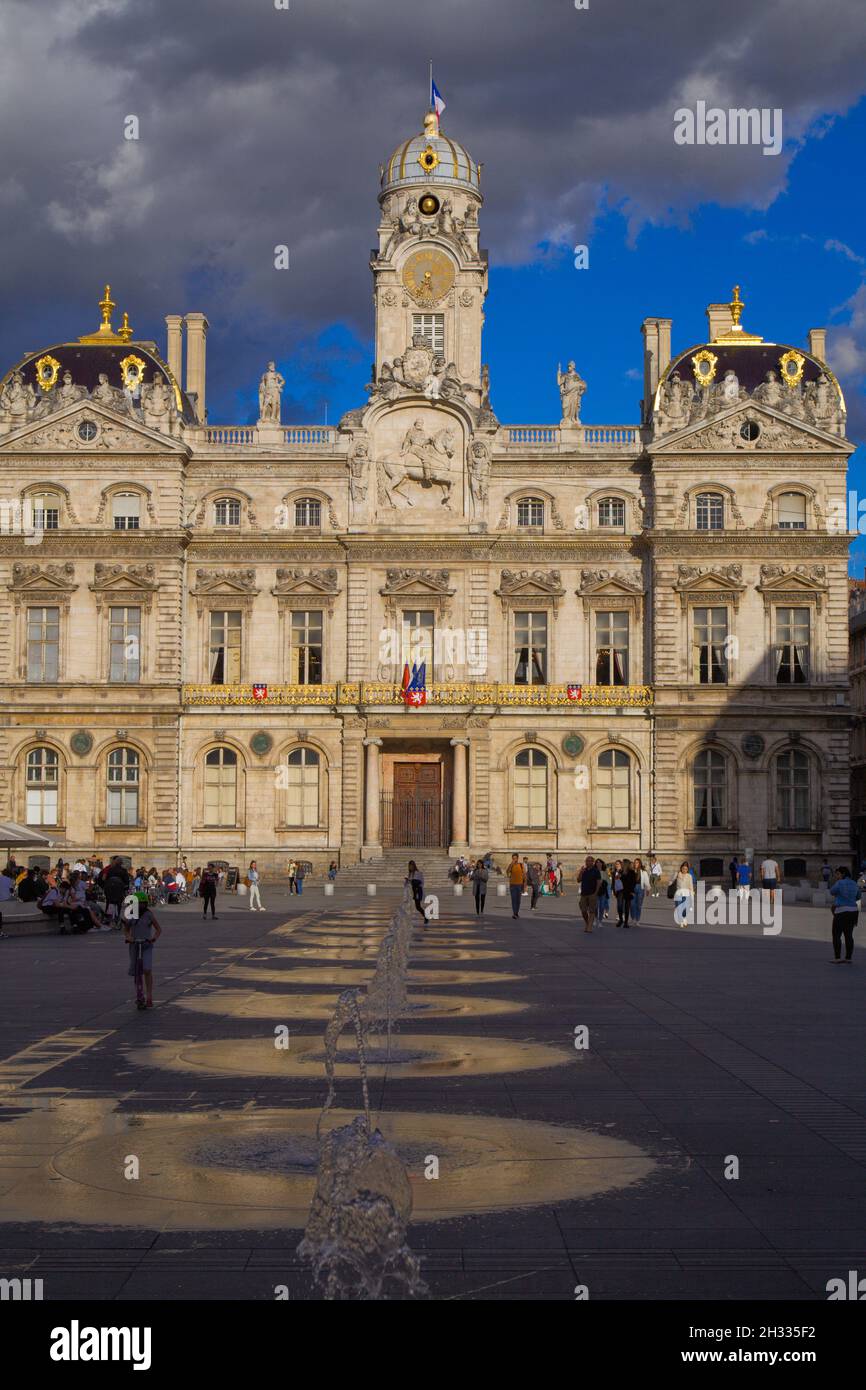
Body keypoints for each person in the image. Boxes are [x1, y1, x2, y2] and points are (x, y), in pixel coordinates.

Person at [125, 898, 162, 1009]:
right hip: (135, 945)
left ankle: (149, 996)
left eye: (142, 903)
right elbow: (126, 929)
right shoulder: (131, 914)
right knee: (136, 971)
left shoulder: (149, 915)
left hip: (146, 945)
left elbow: (158, 929)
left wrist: (153, 939)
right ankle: (139, 995)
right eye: (138, 903)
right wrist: (129, 938)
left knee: (147, 969)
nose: (140, 905)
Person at [829, 866, 858, 963]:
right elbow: (858, 896)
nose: (836, 876)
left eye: (838, 874)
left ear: (843, 874)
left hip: (841, 911)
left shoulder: (840, 883)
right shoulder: (854, 883)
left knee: (836, 934)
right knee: (849, 934)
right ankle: (848, 958)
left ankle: (837, 958)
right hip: (853, 911)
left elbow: (832, 891)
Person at [578, 855, 601, 933]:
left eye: (589, 861)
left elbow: (598, 882)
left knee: (592, 911)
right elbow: (578, 880)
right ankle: (587, 923)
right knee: (583, 910)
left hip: (592, 893)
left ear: (592, 862)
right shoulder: (584, 870)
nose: (588, 862)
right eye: (587, 861)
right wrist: (581, 872)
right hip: (584, 893)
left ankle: (589, 927)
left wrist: (596, 893)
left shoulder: (596, 871)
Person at [674, 861, 694, 927]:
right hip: (678, 894)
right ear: (681, 868)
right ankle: (681, 921)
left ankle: (684, 918)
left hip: (686, 894)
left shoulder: (689, 876)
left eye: (686, 869)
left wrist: (691, 894)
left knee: (685, 909)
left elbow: (691, 886)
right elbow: (672, 882)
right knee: (679, 908)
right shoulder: (677, 874)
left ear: (688, 869)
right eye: (683, 868)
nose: (684, 870)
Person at [506, 853, 525, 919]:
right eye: (513, 858)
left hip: (519, 885)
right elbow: (507, 872)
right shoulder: (511, 865)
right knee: (513, 900)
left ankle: (516, 912)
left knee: (518, 900)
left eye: (515, 858)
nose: (514, 859)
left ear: (517, 858)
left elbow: (524, 875)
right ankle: (514, 913)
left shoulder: (521, 865)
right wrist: (511, 864)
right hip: (513, 885)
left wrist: (524, 886)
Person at [619, 858, 637, 928]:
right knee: (620, 906)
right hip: (621, 891)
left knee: (627, 907)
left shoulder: (632, 872)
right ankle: (621, 919)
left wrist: (632, 891)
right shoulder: (620, 871)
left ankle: (626, 922)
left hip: (628, 891)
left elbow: (633, 882)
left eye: (623, 863)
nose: (622, 864)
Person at [632, 857, 650, 923]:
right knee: (632, 905)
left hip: (640, 888)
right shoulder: (631, 871)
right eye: (635, 862)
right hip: (632, 889)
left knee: (639, 905)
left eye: (637, 862)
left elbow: (646, 881)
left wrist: (648, 889)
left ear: (639, 864)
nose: (635, 864)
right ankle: (633, 918)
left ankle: (637, 920)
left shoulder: (643, 872)